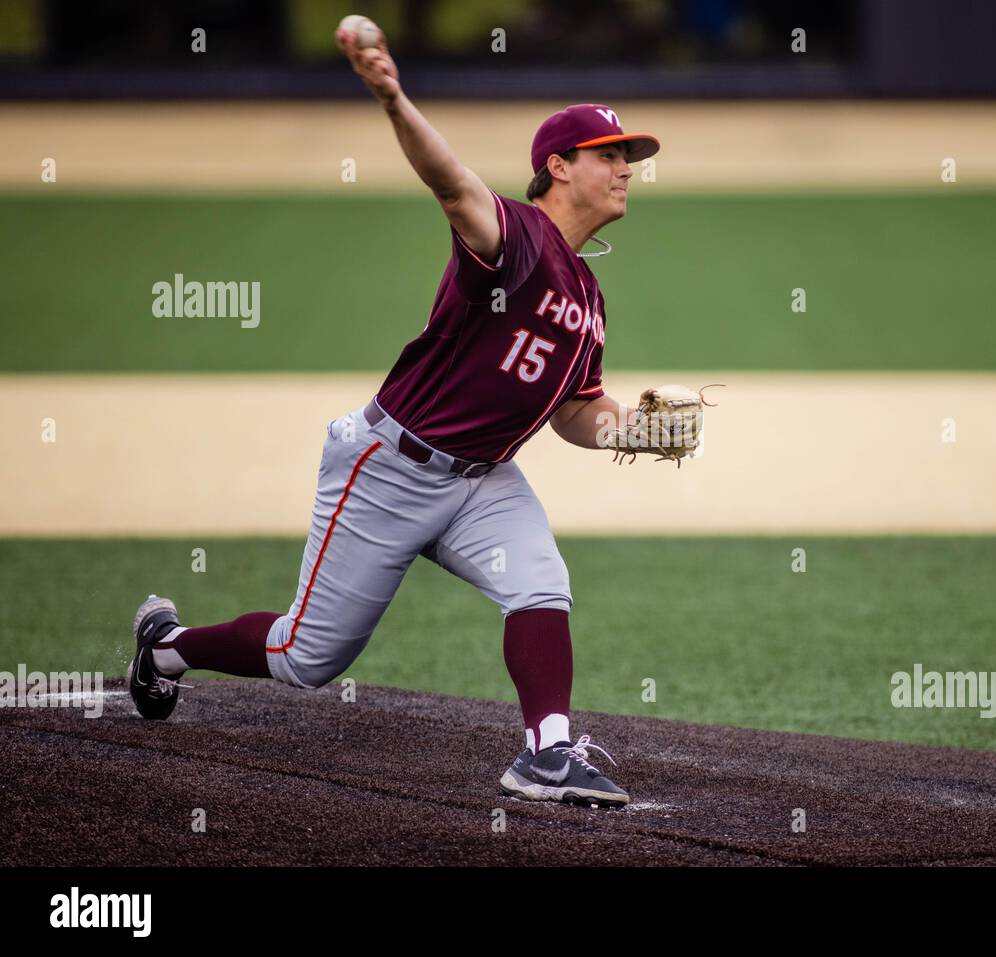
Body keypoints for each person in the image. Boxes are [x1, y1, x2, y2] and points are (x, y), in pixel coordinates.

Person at [126, 23, 662, 809]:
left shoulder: (588, 294)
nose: (626, 168)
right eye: (609, 154)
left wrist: (636, 430)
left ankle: (546, 754)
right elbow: (452, 184)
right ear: (558, 165)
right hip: (390, 466)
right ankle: (166, 648)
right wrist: (391, 96)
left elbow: (576, 409)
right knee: (307, 658)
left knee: (541, 582)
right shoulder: (515, 235)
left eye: (629, 157)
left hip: (483, 480)